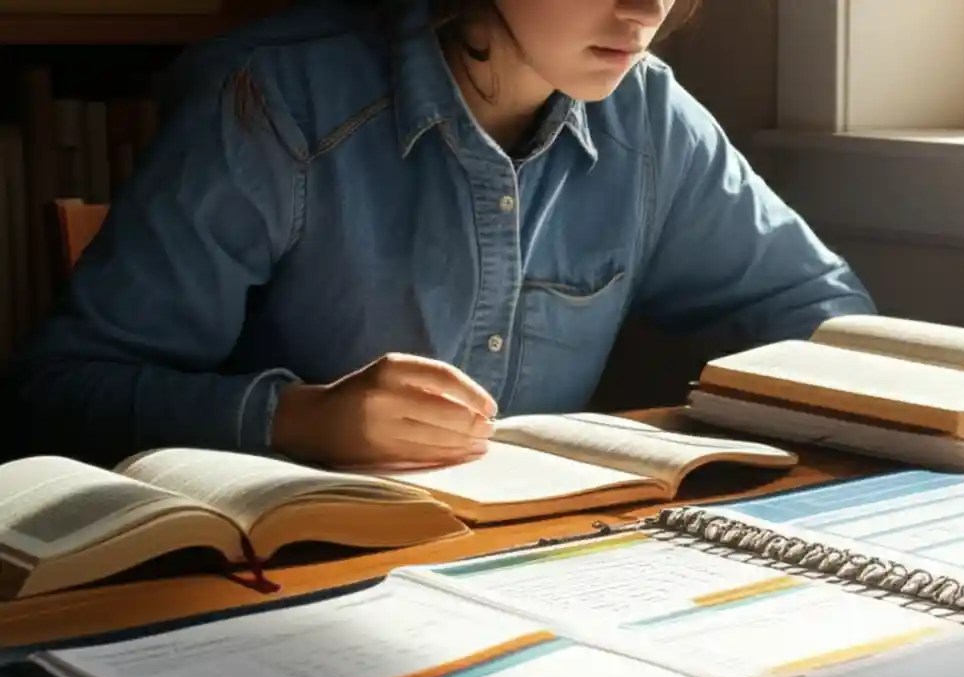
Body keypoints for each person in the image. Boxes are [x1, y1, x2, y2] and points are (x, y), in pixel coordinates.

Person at [6, 0, 875, 470]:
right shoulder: (276, 100)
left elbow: (819, 312)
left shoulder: (651, 118)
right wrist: (298, 421)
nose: (647, 6)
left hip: (517, 573)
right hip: (271, 584)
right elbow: (56, 393)